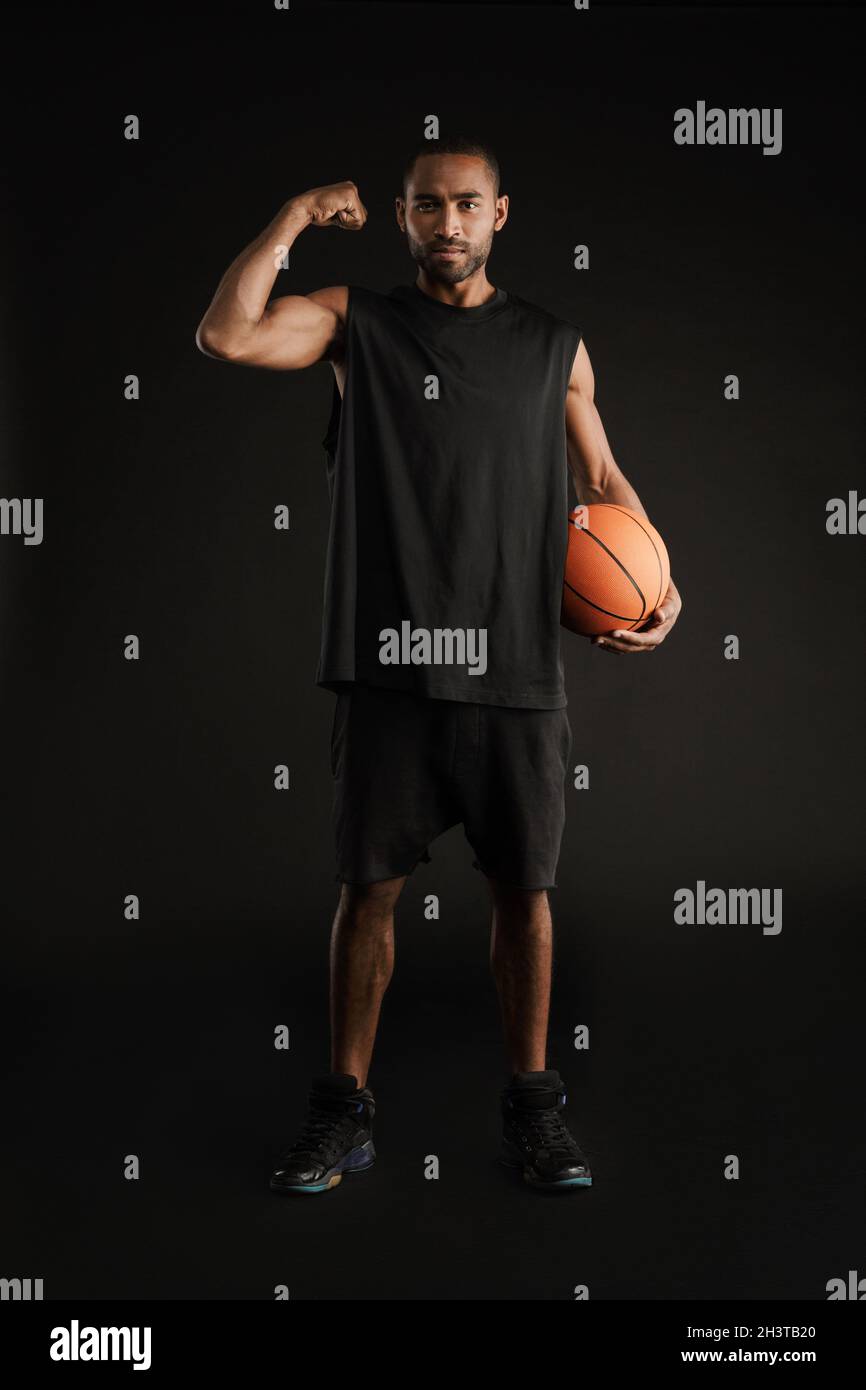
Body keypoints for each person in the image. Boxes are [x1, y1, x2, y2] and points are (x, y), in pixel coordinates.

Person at [195, 135, 682, 1194]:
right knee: (367, 893)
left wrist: (660, 584)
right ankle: (345, 1113)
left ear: (497, 215)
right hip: (389, 673)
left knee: (524, 896)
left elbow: (603, 478)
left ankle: (532, 1114)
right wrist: (288, 216)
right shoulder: (353, 323)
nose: (446, 224)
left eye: (466, 205)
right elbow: (226, 334)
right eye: (425, 207)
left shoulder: (556, 344)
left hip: (516, 676)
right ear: (405, 217)